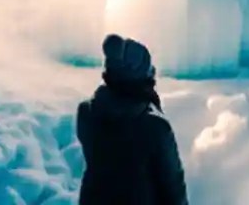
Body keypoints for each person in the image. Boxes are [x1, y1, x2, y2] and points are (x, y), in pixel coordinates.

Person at [75, 34, 188, 205]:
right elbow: (173, 190)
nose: (153, 71)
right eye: (148, 67)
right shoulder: (155, 129)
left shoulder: (87, 113)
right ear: (138, 75)